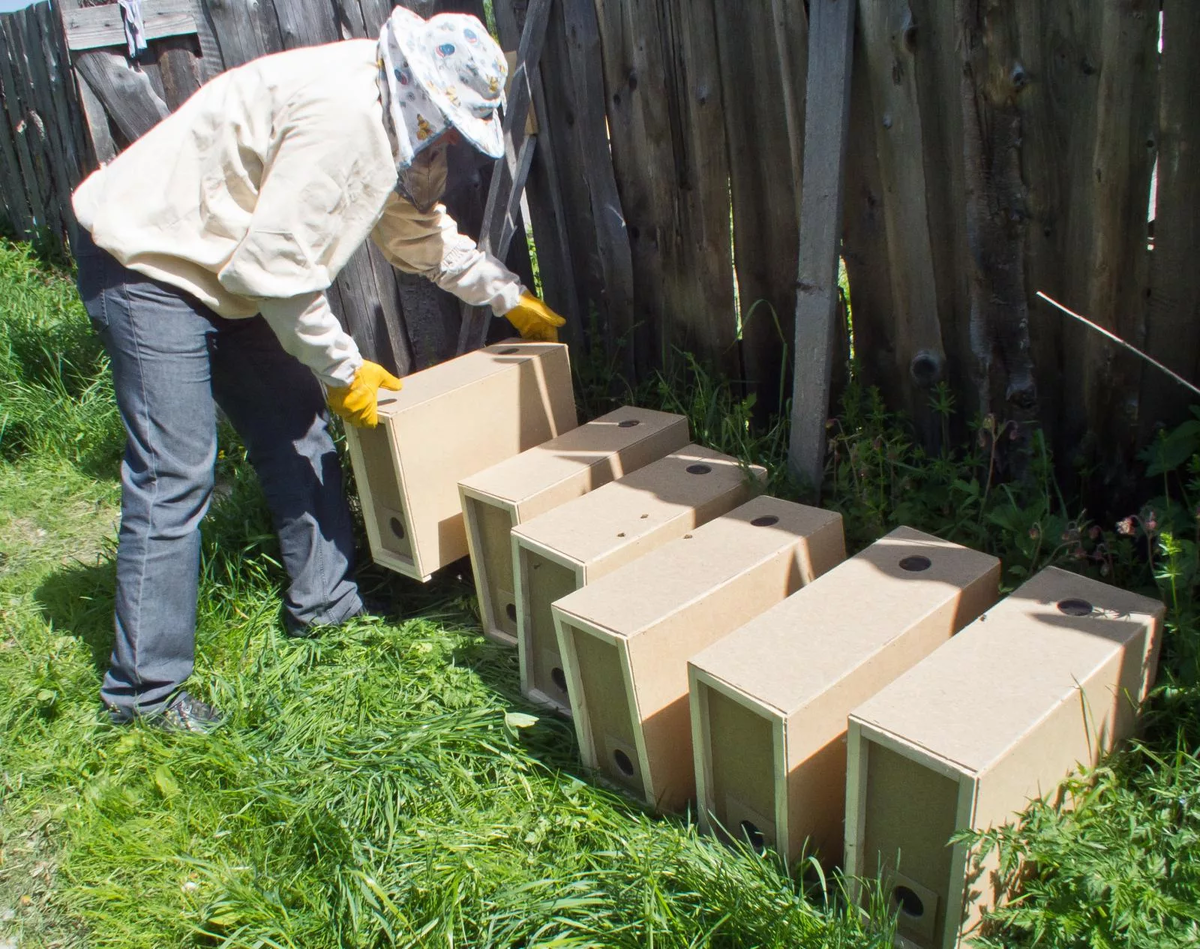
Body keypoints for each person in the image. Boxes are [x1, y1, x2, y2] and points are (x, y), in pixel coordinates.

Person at [71, 7, 565, 732]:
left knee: (297, 431)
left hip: (228, 265)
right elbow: (279, 272)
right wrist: (344, 370)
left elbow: (417, 239)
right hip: (148, 260)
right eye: (453, 124)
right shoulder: (350, 118)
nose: (451, 140)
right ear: (427, 93)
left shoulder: (399, 122)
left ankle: (327, 605)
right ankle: (143, 694)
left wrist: (509, 296)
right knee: (176, 469)